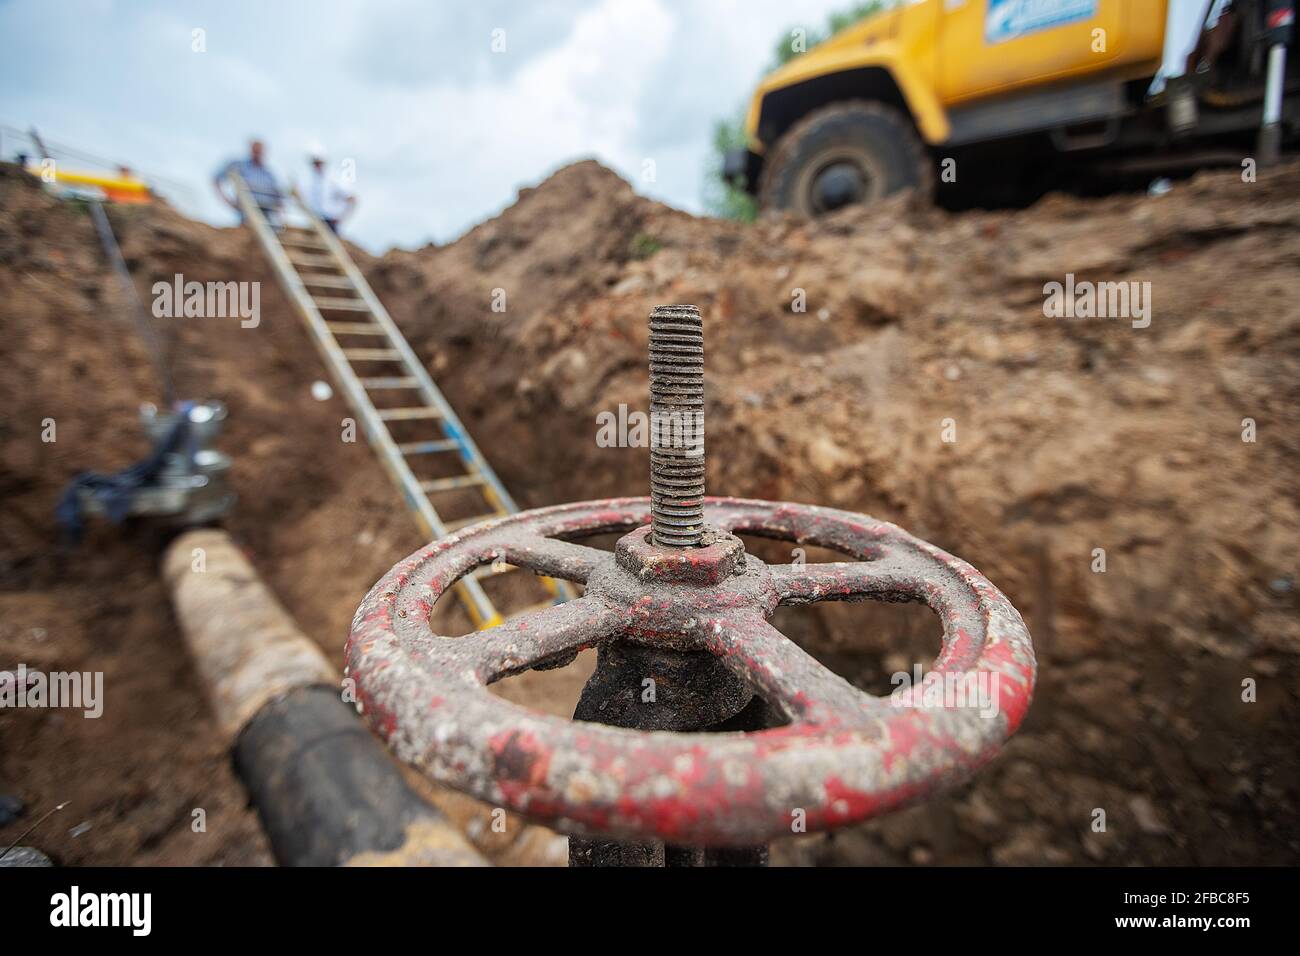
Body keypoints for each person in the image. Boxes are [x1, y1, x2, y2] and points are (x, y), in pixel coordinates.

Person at [213, 138, 283, 225]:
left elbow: (279, 198)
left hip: (268, 215)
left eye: (259, 151)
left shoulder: (269, 174)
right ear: (251, 150)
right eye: (255, 150)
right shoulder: (239, 166)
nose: (257, 153)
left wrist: (280, 217)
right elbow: (216, 179)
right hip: (247, 214)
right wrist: (228, 201)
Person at [294, 142, 355, 234]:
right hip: (316, 221)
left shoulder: (334, 179)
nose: (317, 166)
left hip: (330, 222)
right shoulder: (309, 180)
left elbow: (352, 199)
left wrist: (342, 217)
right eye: (315, 163)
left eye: (319, 162)